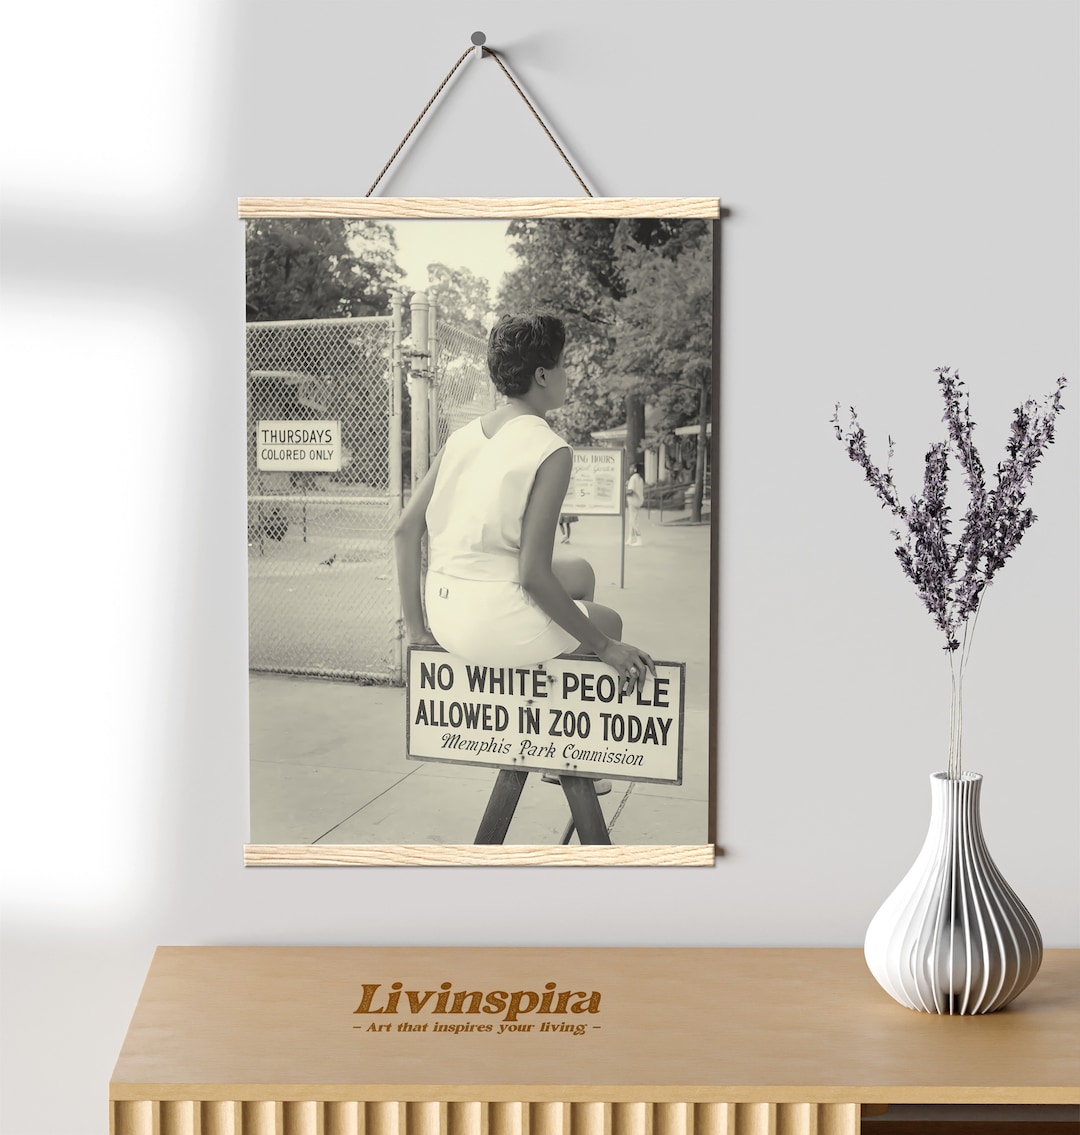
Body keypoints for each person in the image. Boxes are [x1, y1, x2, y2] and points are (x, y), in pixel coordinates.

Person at [394, 313, 654, 695]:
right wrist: (605, 646)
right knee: (609, 623)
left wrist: (417, 632)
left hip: (445, 611)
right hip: (493, 620)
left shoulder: (460, 439)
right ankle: (543, 707)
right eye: (563, 364)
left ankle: (543, 663)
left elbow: (404, 531)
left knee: (581, 573)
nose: (568, 374)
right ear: (543, 376)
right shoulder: (551, 449)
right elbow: (532, 575)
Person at [625, 462, 645, 546]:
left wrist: (624, 491)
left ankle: (639, 539)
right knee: (631, 520)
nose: (630, 469)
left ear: (635, 469)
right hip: (638, 501)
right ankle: (630, 538)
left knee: (633, 521)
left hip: (633, 501)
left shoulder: (633, 478)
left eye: (632, 468)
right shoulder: (640, 478)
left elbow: (630, 490)